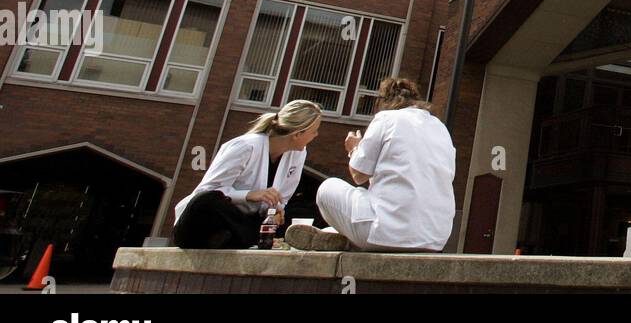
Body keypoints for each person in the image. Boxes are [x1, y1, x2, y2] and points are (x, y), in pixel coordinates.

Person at [287, 77, 455, 253]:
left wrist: (354, 149)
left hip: (387, 233)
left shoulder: (386, 118)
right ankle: (337, 236)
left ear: (383, 102)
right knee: (366, 201)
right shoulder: (441, 129)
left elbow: (359, 175)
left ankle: (347, 240)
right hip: (435, 238)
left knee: (327, 188)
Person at [174, 99, 322, 249]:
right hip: (205, 226)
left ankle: (254, 238)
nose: (316, 135)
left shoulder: (298, 154)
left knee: (311, 209)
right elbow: (206, 191)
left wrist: (276, 212)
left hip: (248, 223)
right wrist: (250, 195)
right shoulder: (245, 146)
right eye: (314, 131)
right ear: (297, 134)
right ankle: (256, 239)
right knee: (206, 200)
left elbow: (281, 199)